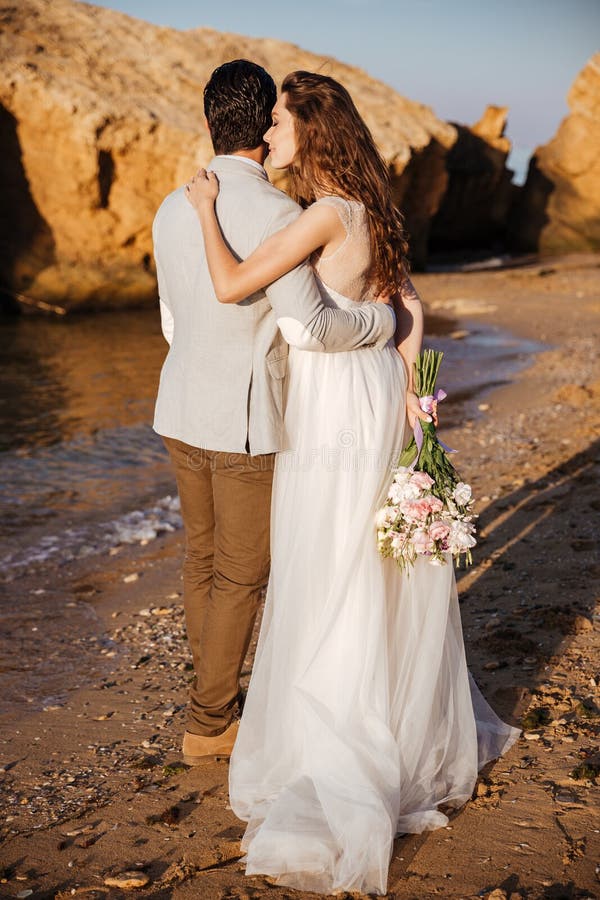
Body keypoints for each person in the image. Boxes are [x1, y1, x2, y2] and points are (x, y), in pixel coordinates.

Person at [186, 70, 520, 896]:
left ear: (313, 130)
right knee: (366, 566)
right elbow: (409, 302)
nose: (268, 133)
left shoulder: (325, 213)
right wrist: (415, 398)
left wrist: (201, 212)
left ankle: (343, 749)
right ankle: (395, 729)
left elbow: (234, 286)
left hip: (335, 403)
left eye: (281, 122)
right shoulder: (371, 208)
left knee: (330, 566)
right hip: (369, 396)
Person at [152, 60, 398, 766]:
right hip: (244, 416)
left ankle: (212, 698)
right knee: (240, 573)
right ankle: (209, 720)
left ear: (207, 124)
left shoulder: (175, 204)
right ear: (265, 126)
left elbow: (171, 319)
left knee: (203, 559)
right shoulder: (280, 214)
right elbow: (314, 327)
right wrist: (383, 323)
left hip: (179, 406)